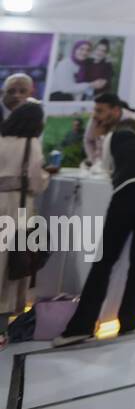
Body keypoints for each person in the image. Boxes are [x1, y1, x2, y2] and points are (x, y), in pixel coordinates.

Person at [55, 94, 135, 347]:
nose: (97, 115)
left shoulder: (113, 136)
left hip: (131, 191)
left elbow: (104, 168)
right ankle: (129, 321)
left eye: (100, 110)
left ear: (116, 113)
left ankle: (81, 327)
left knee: (105, 259)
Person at [0, 101, 50, 316]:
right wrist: (48, 175)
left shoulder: (1, 140)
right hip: (19, 207)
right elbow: (36, 183)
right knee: (14, 260)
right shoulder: (32, 144)